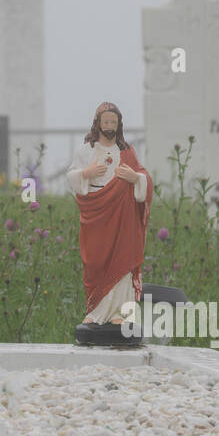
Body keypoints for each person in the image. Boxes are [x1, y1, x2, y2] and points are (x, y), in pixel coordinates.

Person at [66, 102, 152, 326]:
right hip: (95, 211)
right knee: (94, 262)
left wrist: (135, 178)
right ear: (98, 123)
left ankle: (119, 313)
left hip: (122, 215)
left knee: (121, 262)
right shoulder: (87, 150)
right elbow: (71, 177)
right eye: (106, 122)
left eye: (113, 122)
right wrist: (87, 172)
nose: (110, 126)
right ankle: (95, 311)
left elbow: (144, 177)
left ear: (119, 124)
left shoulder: (125, 151)